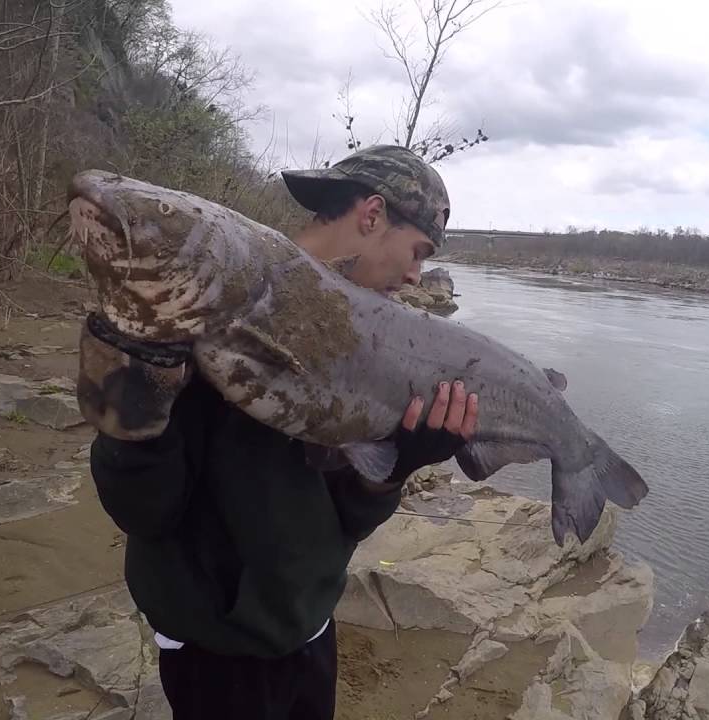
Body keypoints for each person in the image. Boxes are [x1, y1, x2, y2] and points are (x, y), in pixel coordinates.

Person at [81, 145, 480, 719]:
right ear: (371, 215)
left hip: (308, 625)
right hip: (216, 645)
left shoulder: (365, 337)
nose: (418, 274)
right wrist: (137, 392)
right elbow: (143, 511)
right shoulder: (219, 294)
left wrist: (399, 463)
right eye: (418, 251)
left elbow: (344, 519)